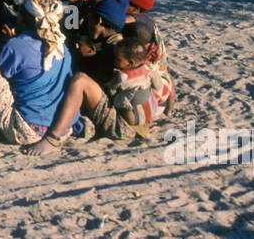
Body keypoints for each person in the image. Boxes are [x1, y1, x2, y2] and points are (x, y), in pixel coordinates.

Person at [23, 19, 175, 156]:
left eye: (118, 59)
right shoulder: (146, 67)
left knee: (80, 80)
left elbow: (112, 89)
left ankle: (53, 139)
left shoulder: (124, 75)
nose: (115, 60)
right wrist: (168, 109)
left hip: (124, 127)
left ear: (129, 62)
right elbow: (165, 85)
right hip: (137, 126)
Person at [0, 0, 73, 147]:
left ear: (24, 18)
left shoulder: (16, 45)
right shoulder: (63, 47)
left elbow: (1, 78)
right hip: (60, 129)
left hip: (26, 131)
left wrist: (4, 45)